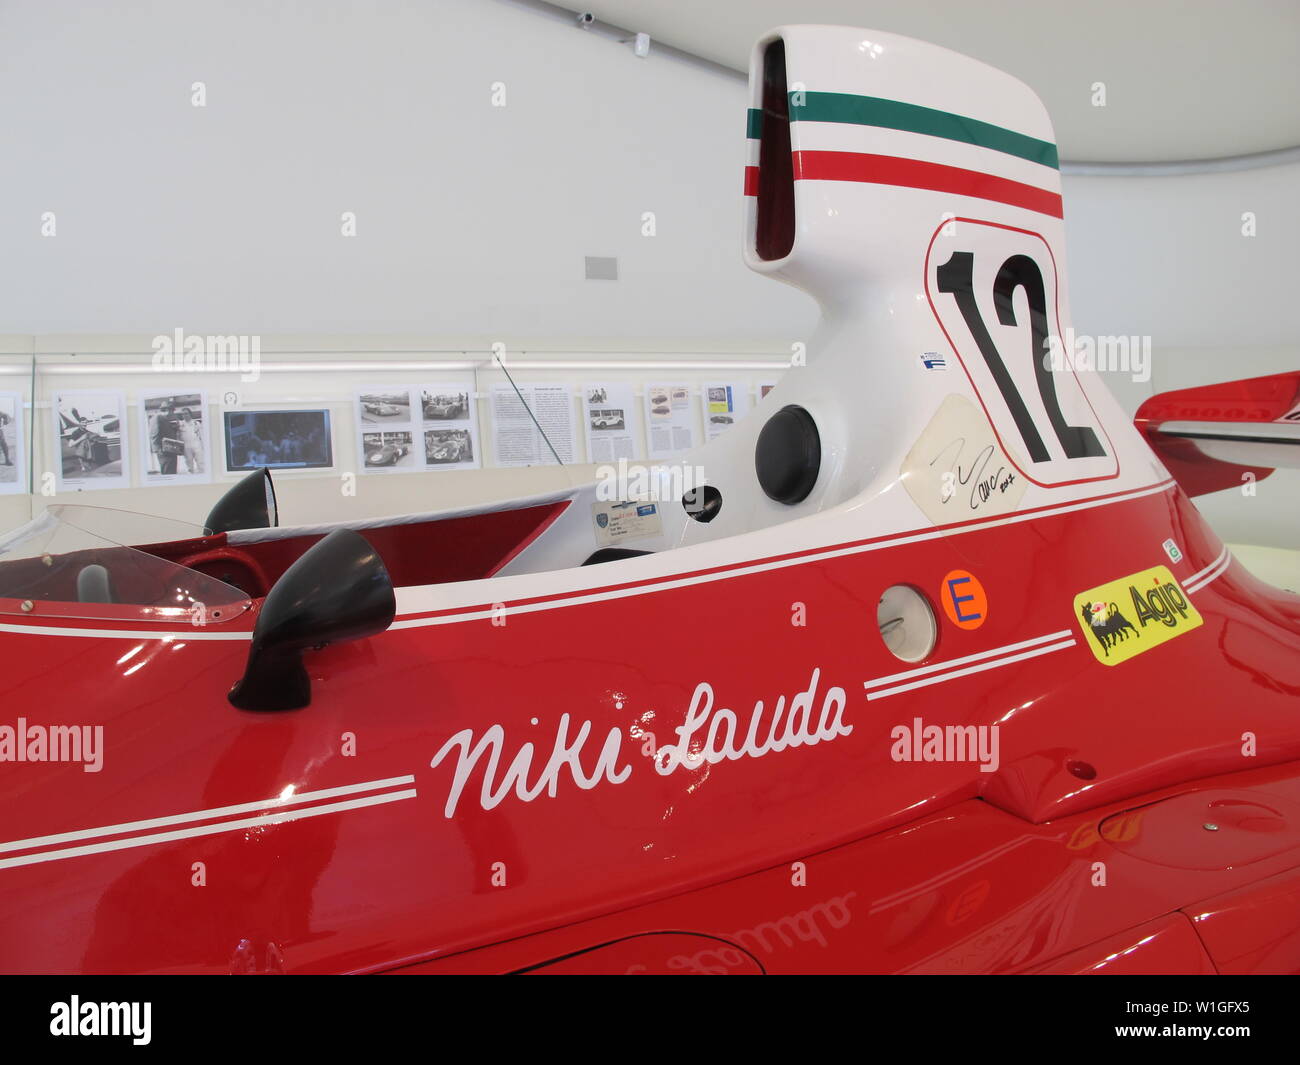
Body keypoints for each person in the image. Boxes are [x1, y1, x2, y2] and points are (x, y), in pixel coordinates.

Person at [149, 400, 180, 475]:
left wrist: (175, 428)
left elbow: (170, 433)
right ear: (166, 409)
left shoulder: (167, 418)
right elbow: (153, 435)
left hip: (172, 449)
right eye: (172, 410)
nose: (172, 413)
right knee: (167, 472)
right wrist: (158, 449)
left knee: (172, 471)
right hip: (163, 451)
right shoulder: (157, 418)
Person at [178, 408, 203, 474]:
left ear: (190, 414)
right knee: (189, 466)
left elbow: (201, 436)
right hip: (186, 447)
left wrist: (203, 446)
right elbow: (178, 436)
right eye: (183, 414)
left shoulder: (196, 423)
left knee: (201, 464)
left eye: (186, 413)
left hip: (196, 445)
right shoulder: (180, 424)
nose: (184, 415)